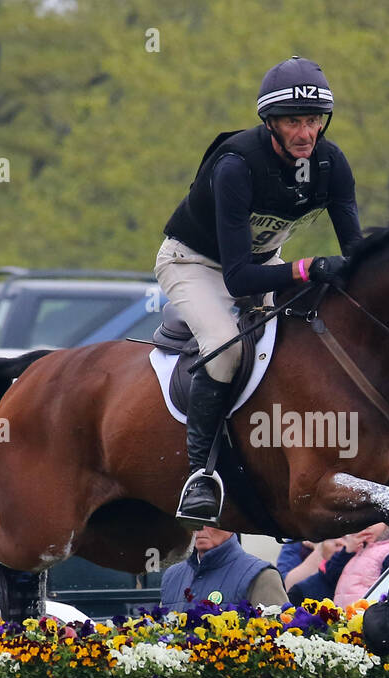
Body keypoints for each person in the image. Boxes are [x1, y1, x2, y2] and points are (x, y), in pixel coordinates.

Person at [157, 56, 364, 528]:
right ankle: (200, 476)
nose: (306, 133)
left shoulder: (332, 164)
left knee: (296, 348)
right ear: (271, 123)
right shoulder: (236, 165)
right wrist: (309, 268)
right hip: (194, 263)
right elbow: (237, 280)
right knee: (226, 351)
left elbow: (357, 253)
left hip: (262, 264)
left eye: (313, 121)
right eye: (294, 121)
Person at [161, 526, 288, 608]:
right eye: (193, 519)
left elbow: (280, 644)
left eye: (209, 517)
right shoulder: (172, 577)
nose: (200, 527)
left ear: (230, 521)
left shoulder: (262, 577)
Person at [333, 523, 389, 607]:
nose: (367, 526)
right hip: (343, 615)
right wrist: (347, 552)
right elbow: (331, 576)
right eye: (366, 521)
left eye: (374, 521)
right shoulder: (359, 549)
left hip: (364, 616)